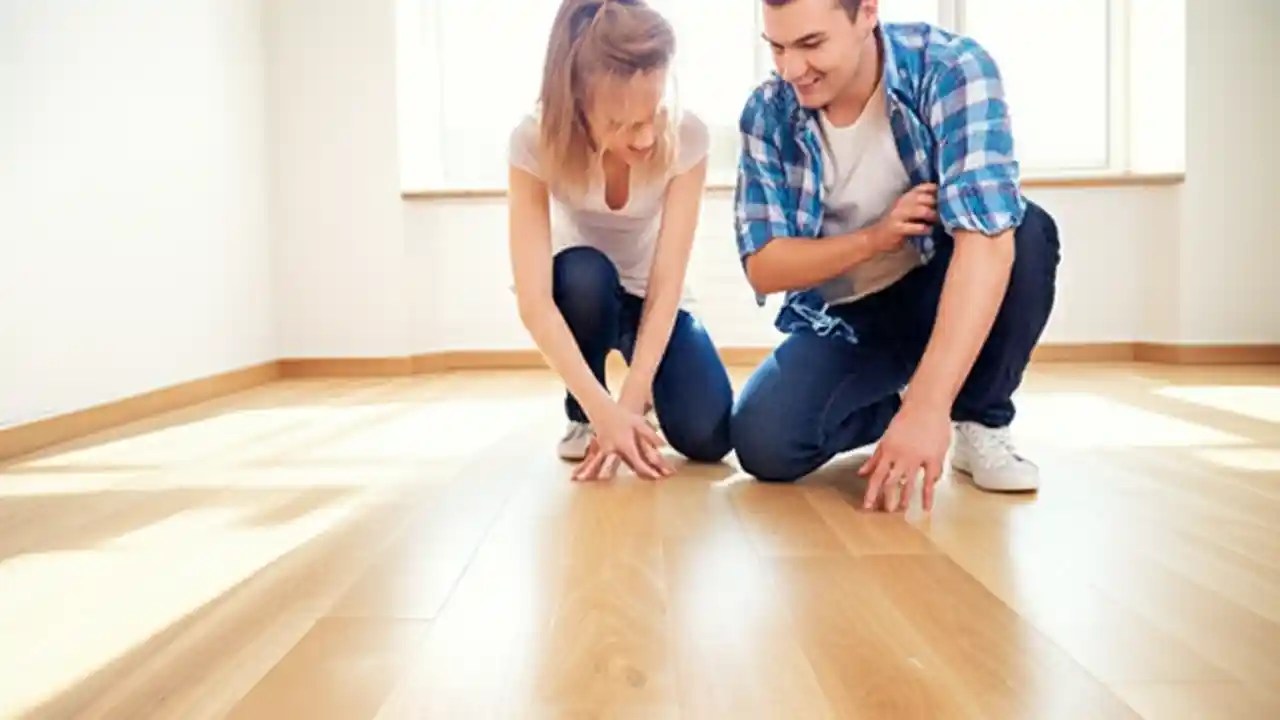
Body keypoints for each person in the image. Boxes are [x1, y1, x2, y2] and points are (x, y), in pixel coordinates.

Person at [729, 0, 1061, 510]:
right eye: (777, 46)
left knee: (1023, 226)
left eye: (811, 44)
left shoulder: (952, 69)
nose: (790, 69)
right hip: (844, 319)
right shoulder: (769, 111)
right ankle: (902, 404)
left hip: (936, 288)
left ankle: (978, 418)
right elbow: (766, 265)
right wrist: (874, 238)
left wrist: (931, 409)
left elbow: (986, 238)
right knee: (763, 443)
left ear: (866, 13)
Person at [508, 0, 734, 481]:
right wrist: (603, 414)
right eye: (622, 124)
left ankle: (643, 400)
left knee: (708, 438)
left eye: (653, 113)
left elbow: (668, 282)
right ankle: (581, 415)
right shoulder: (534, 141)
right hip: (581, 296)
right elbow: (533, 301)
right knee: (583, 275)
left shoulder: (687, 136)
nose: (647, 138)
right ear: (576, 104)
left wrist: (630, 402)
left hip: (651, 300)